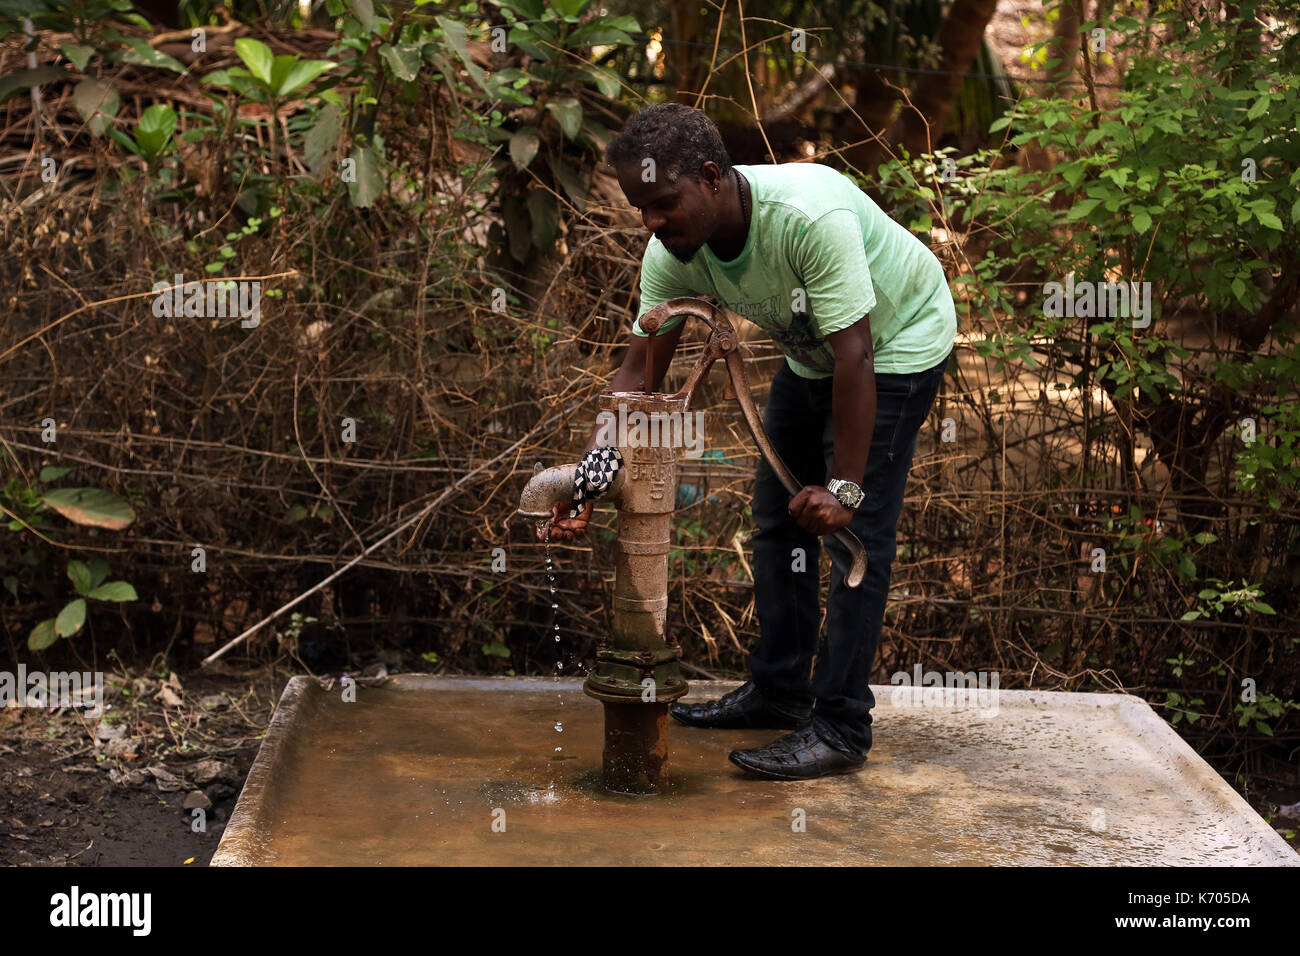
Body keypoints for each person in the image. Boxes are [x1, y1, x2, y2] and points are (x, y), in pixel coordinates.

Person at [541, 103, 956, 780]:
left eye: (663, 204)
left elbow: (857, 354)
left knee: (855, 536)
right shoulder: (674, 250)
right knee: (776, 520)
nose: (651, 222)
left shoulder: (808, 219)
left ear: (711, 176)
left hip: (897, 343)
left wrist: (846, 487)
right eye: (639, 207)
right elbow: (636, 375)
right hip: (815, 357)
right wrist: (594, 470)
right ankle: (780, 691)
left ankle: (841, 725)